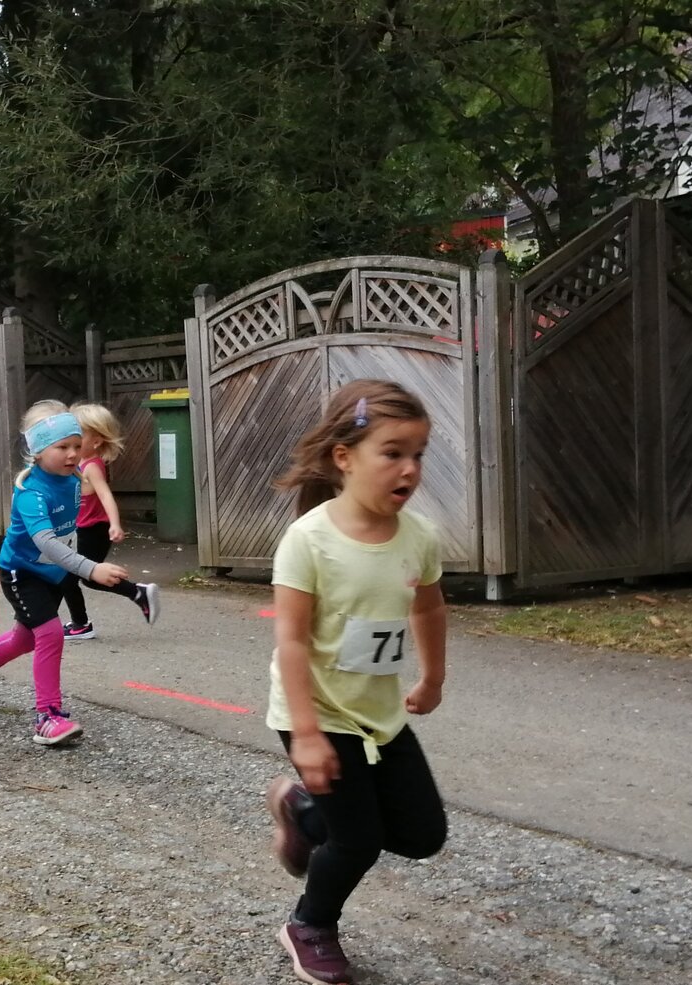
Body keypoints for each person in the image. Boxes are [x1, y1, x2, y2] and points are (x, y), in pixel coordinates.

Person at [260, 379, 449, 985]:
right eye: (392, 452)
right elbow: (290, 640)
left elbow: (429, 607)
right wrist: (308, 736)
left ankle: (305, 812)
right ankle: (310, 925)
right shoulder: (309, 540)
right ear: (345, 458)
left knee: (423, 835)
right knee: (360, 838)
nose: (409, 468)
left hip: (380, 713)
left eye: (418, 454)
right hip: (314, 714)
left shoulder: (417, 538)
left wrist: (433, 678)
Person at [0, 401, 158, 745]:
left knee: (26, 638)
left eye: (76, 446)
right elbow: (47, 542)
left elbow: (69, 533)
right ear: (37, 450)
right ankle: (47, 715)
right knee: (49, 634)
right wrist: (91, 568)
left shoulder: (74, 480)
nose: (72, 454)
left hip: (55, 573)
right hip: (22, 573)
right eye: (62, 447)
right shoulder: (31, 492)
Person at [58, 402, 152, 640]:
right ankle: (137, 593)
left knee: (73, 576)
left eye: (78, 437)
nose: (72, 443)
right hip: (80, 531)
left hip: (94, 531)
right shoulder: (75, 465)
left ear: (96, 441)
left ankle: (81, 624)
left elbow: (106, 495)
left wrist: (115, 523)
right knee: (81, 577)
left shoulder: (92, 467)